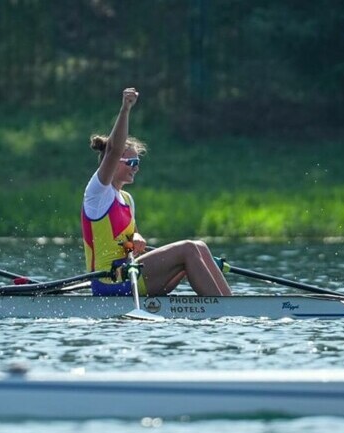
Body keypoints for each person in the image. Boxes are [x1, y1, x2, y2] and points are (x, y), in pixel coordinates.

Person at [81, 88, 232, 297]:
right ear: (114, 163)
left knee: (200, 246)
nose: (136, 168)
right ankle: (225, 311)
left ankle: (231, 305)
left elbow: (125, 236)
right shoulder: (97, 193)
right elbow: (114, 149)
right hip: (109, 283)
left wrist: (136, 235)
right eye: (132, 162)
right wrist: (125, 109)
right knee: (188, 248)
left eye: (138, 162)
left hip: (130, 275)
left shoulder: (126, 199)